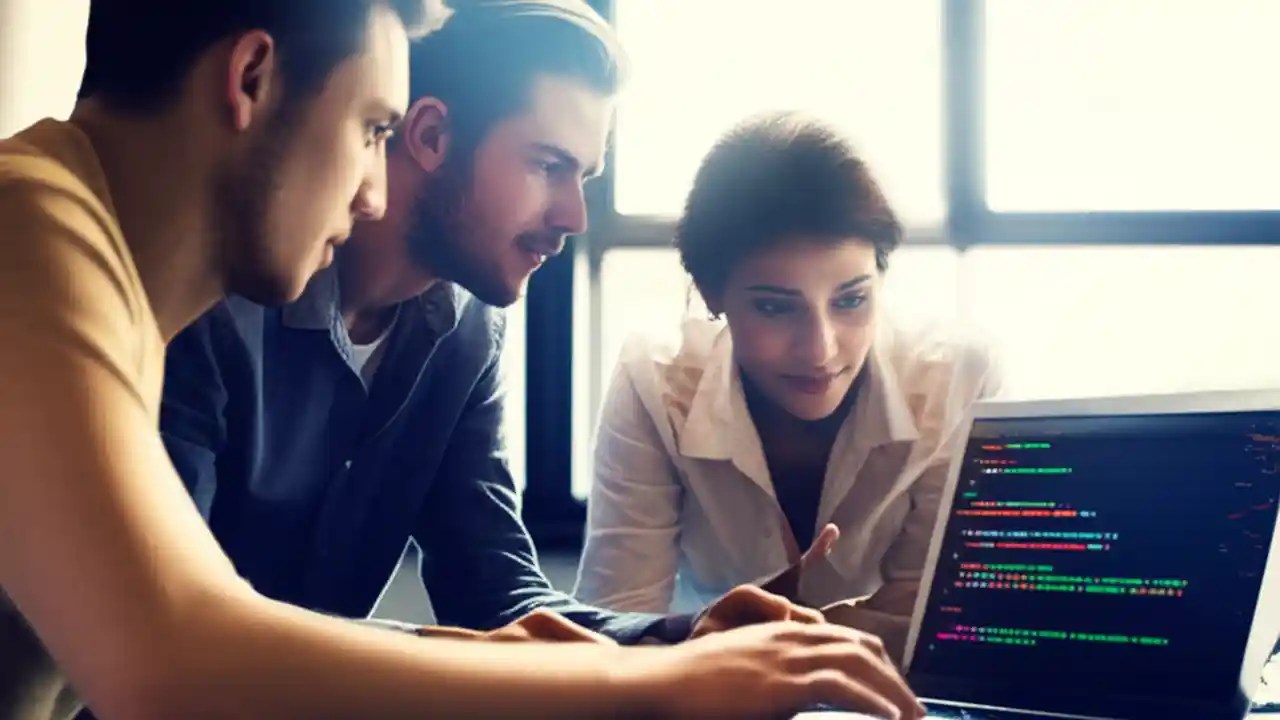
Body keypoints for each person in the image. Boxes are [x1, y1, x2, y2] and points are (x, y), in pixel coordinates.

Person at [0, 1, 925, 718]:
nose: (373, 192)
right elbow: (177, 662)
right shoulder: (34, 232)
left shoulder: (90, 255)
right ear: (251, 77)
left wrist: (672, 645)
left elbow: (492, 598)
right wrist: (656, 687)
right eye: (371, 129)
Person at [161, 0, 847, 648]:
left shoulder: (467, 331)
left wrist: (680, 639)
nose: (574, 217)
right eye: (549, 166)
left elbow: (494, 594)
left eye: (585, 176)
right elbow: (176, 630)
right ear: (429, 135)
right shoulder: (212, 307)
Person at [577, 111, 1002, 663]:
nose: (820, 349)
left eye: (851, 299)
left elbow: (936, 623)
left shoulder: (955, 378)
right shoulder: (656, 382)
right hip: (705, 681)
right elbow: (615, 629)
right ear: (711, 294)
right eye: (775, 308)